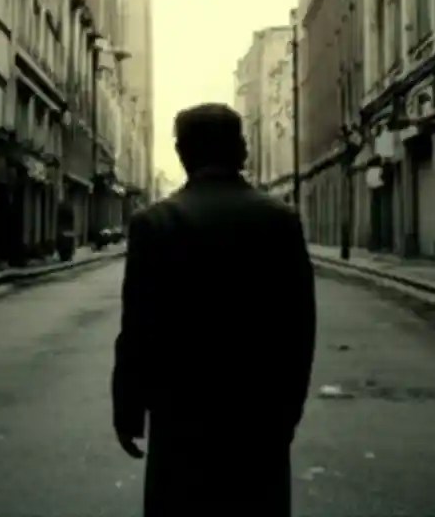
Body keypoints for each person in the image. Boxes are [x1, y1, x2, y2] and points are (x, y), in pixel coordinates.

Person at [111, 103, 317, 516]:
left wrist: (129, 407)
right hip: (258, 417)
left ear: (182, 153)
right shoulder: (280, 221)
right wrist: (288, 409)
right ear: (241, 151)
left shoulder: (154, 223)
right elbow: (299, 327)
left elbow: (138, 329)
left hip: (180, 416)